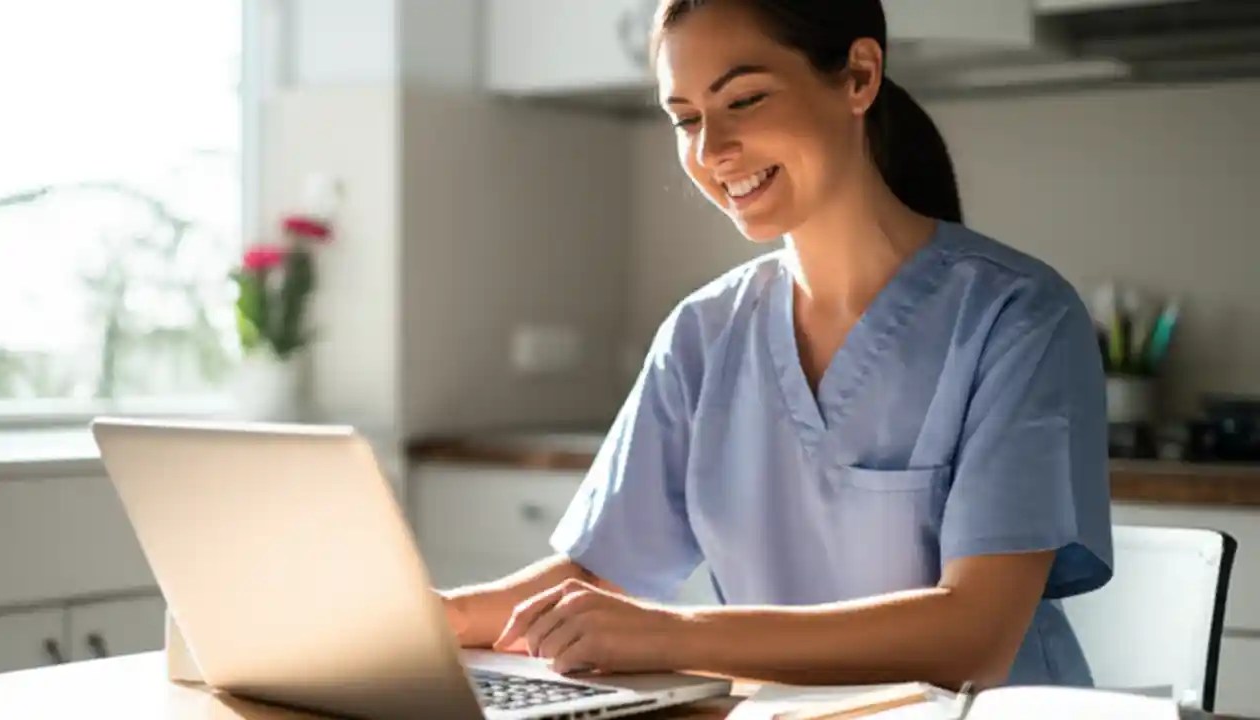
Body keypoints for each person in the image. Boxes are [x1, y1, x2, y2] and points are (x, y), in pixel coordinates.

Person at [441, 0, 1111, 690]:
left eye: (744, 100)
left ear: (859, 75)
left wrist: (669, 634)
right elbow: (595, 574)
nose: (710, 151)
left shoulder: (1017, 316)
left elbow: (973, 637)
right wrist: (436, 617)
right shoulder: (703, 335)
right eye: (686, 119)